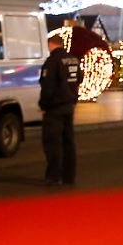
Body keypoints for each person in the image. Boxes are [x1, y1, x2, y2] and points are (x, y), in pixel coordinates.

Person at [38, 33, 81, 186]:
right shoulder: (73, 59)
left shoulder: (52, 61)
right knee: (68, 142)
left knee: (52, 143)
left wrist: (44, 105)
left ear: (51, 44)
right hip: (69, 106)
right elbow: (78, 80)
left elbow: (47, 87)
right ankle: (69, 176)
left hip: (54, 108)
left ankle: (53, 176)